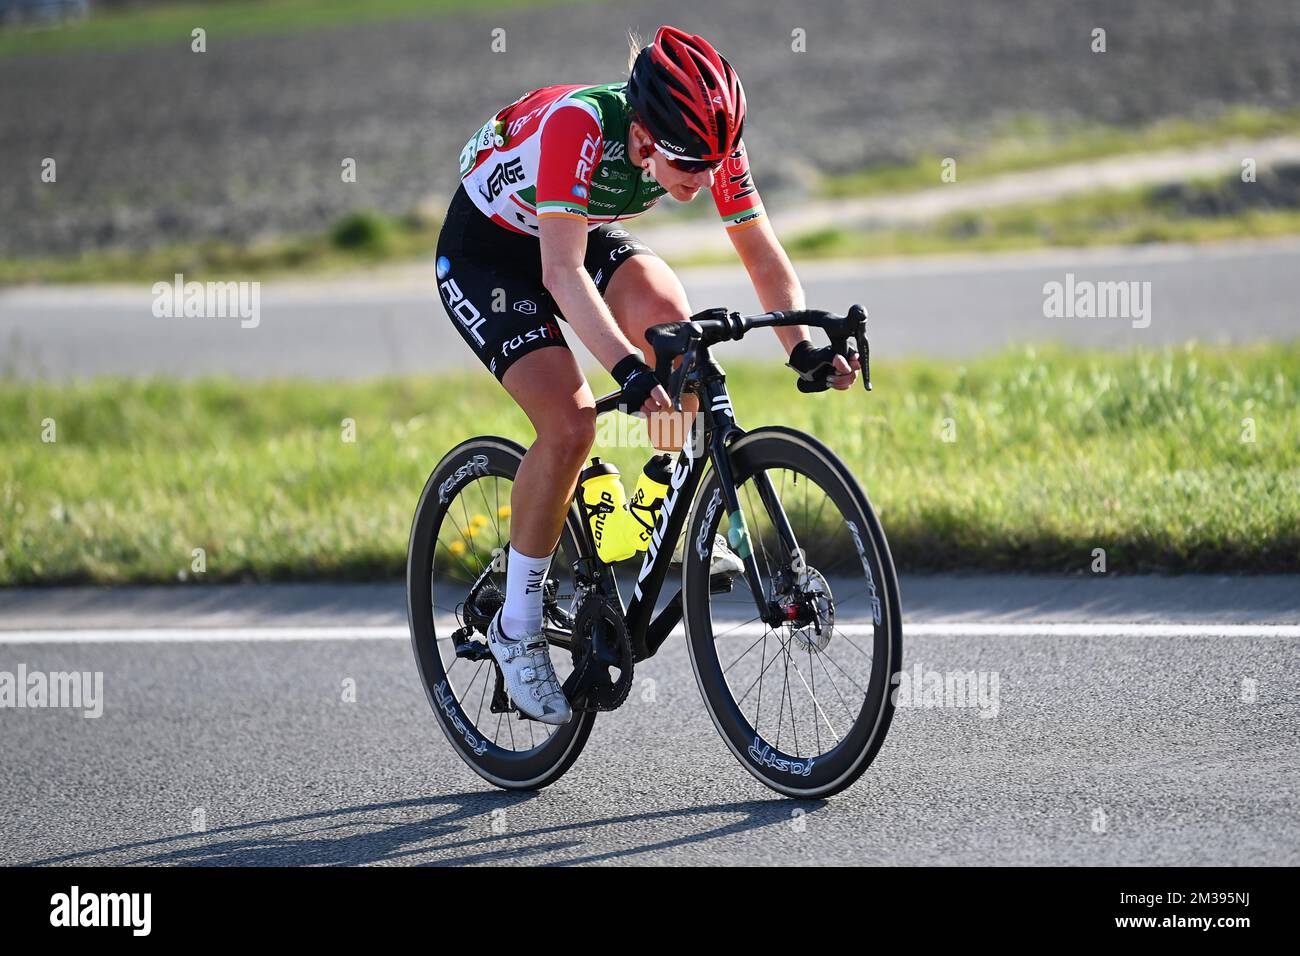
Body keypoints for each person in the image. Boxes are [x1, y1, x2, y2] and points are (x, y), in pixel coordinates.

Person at [435, 25, 860, 725]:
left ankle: (665, 511)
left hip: (575, 226)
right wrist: (626, 369)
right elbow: (559, 274)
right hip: (490, 256)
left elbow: (759, 250)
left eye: (715, 162)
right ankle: (516, 623)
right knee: (570, 424)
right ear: (643, 141)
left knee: (677, 332)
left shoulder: (707, 144)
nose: (704, 180)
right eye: (690, 165)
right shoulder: (580, 129)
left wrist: (802, 347)